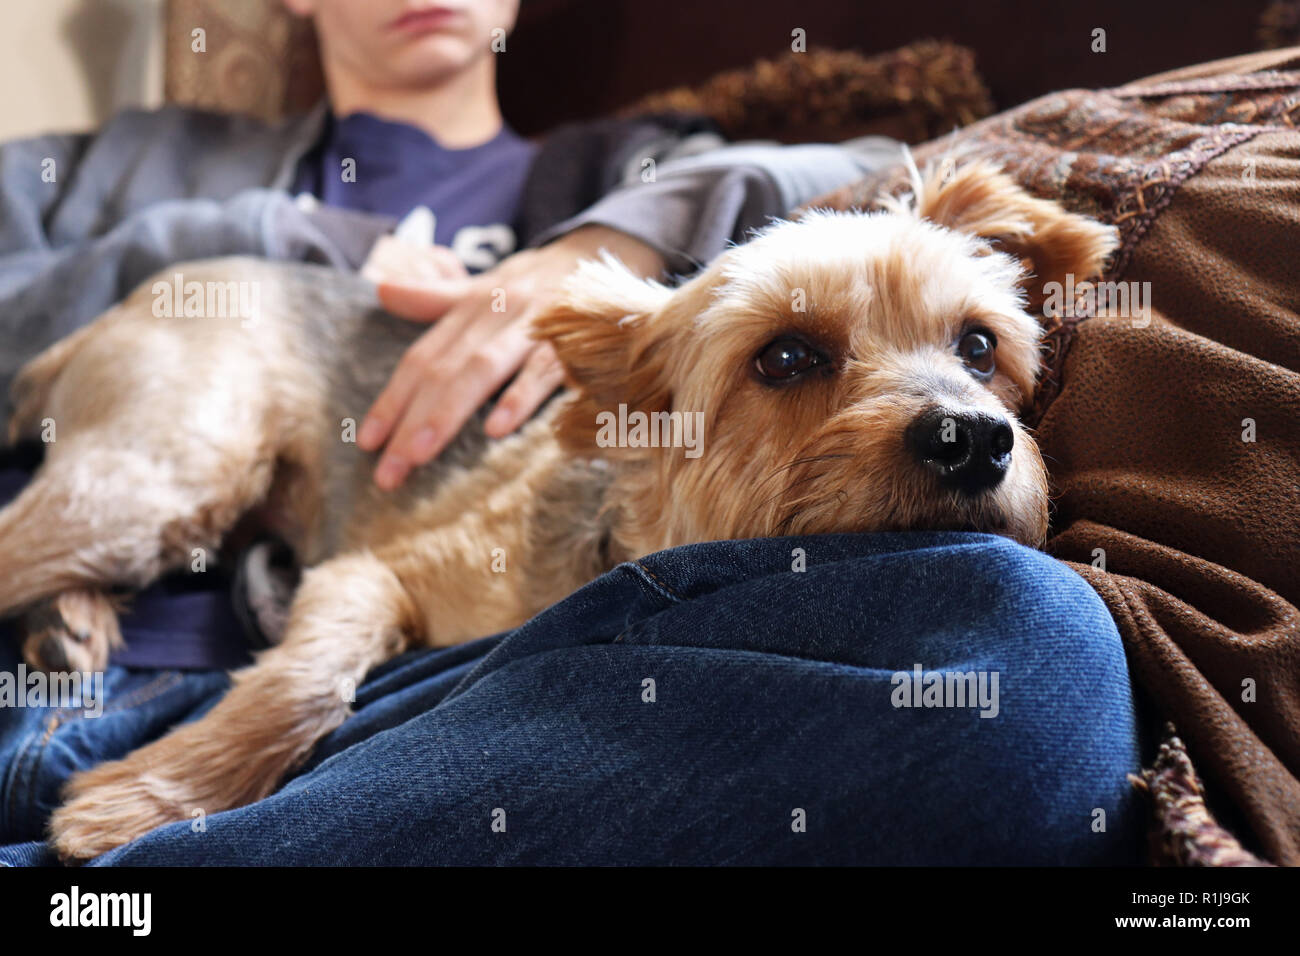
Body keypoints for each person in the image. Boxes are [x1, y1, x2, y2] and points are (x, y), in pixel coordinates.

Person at [0, 0, 1144, 865]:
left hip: (495, 697)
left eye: (978, 355)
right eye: (793, 358)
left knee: (1043, 651)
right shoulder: (146, 157)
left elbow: (878, 176)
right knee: (142, 497)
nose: (962, 417)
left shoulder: (636, 162)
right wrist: (282, 236)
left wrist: (616, 232)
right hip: (189, 687)